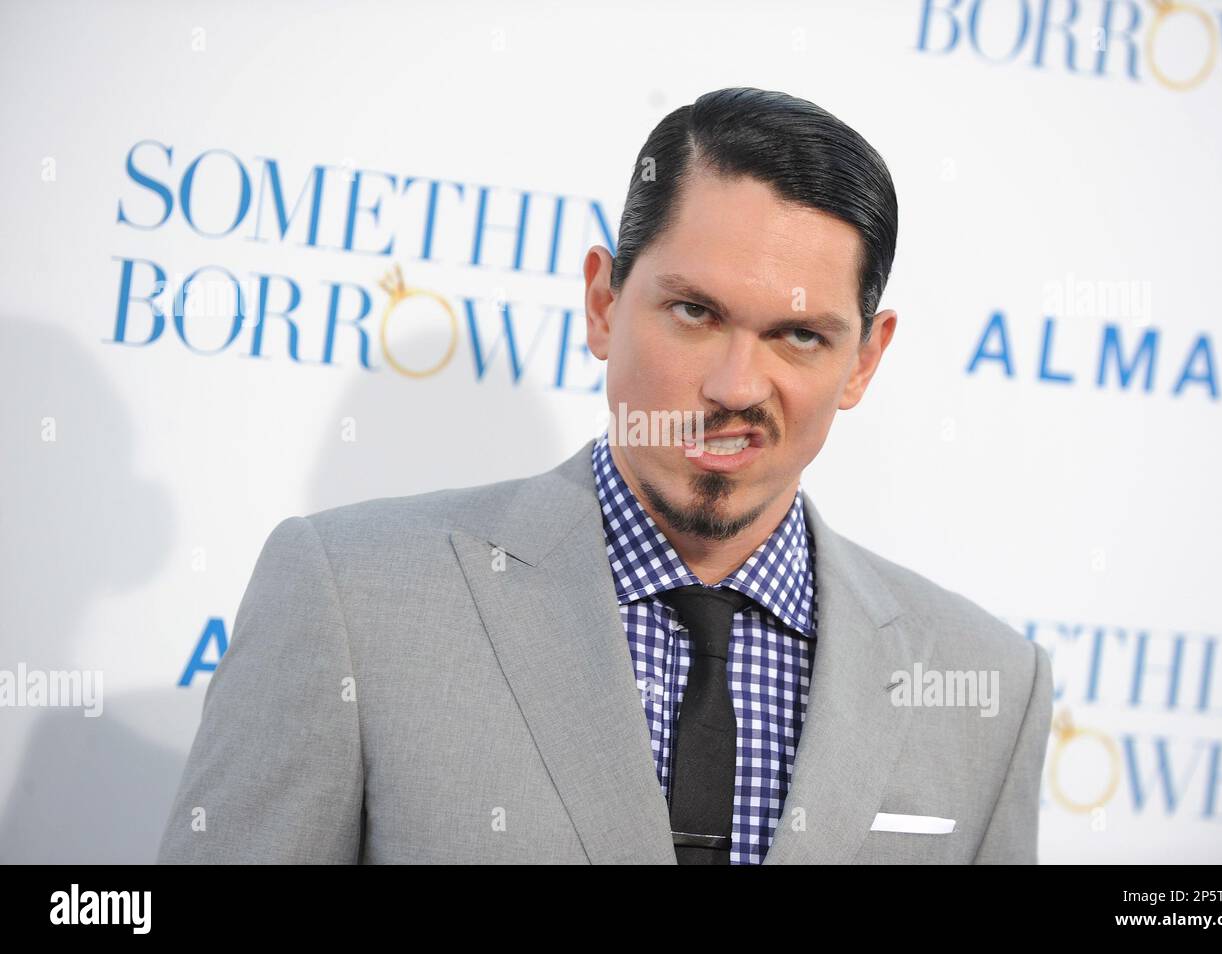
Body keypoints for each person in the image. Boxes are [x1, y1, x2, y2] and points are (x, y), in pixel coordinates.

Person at [157, 87, 1053, 865]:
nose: (735, 388)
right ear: (603, 303)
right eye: (694, 313)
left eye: (799, 336)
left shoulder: (991, 691)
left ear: (864, 360)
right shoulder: (354, 600)